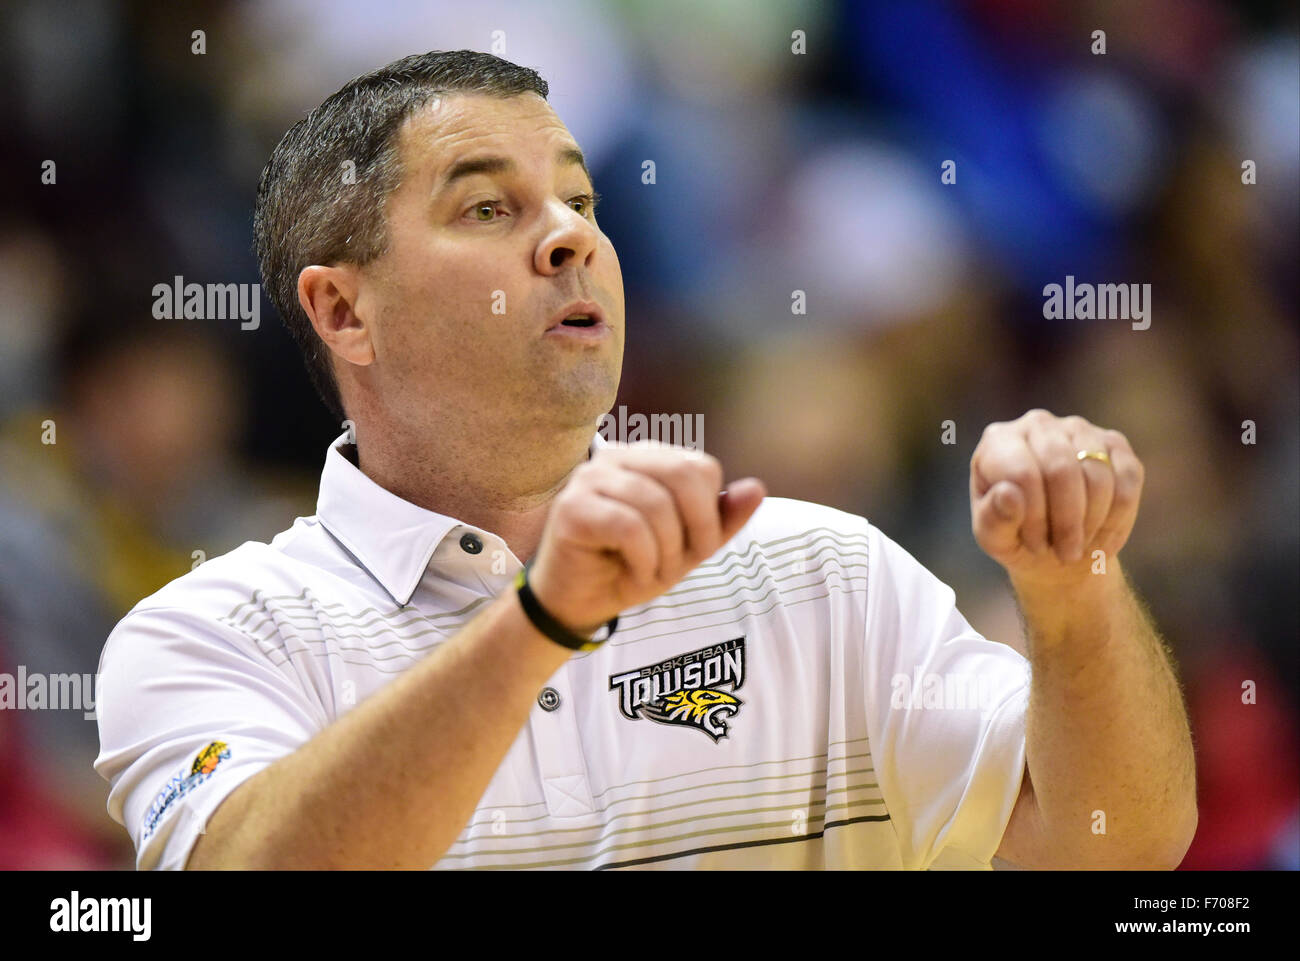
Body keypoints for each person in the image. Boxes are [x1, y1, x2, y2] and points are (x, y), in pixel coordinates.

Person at [94, 49, 1196, 870]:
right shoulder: (209, 631)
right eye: (488, 206)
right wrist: (542, 622)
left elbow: (1121, 843)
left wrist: (1072, 592)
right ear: (343, 309)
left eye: (581, 199)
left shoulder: (824, 571)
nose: (569, 235)